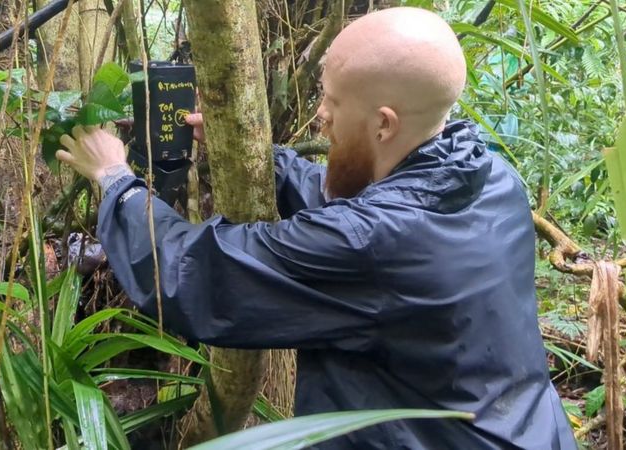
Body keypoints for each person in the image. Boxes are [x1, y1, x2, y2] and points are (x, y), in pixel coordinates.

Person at [55, 6, 577, 450]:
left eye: (331, 101)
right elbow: (360, 207)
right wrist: (261, 159)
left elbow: (190, 273)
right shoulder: (489, 176)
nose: (321, 115)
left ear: (384, 123)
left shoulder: (374, 243)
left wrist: (115, 178)